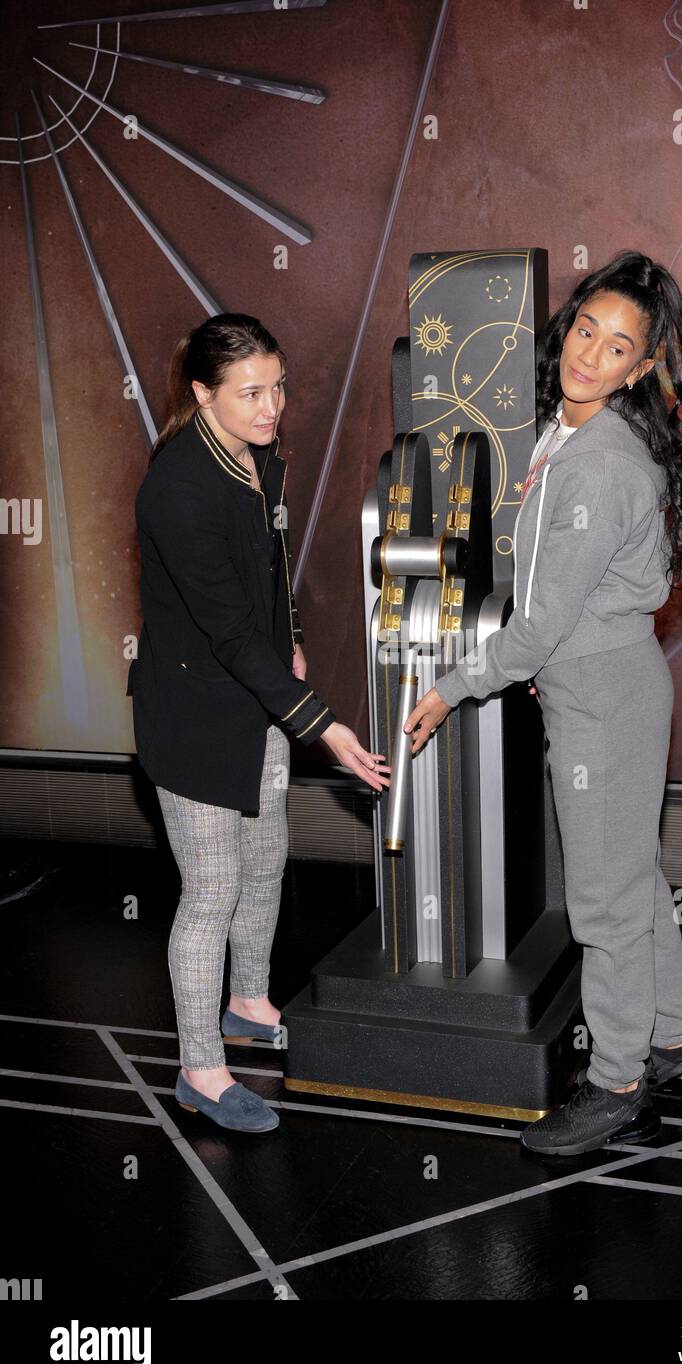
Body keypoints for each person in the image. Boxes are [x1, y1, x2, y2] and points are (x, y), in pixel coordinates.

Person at [404, 251, 682, 1158]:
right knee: (635, 883)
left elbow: (540, 624)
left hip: (601, 701)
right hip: (607, 685)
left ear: (641, 367)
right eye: (586, 332)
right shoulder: (574, 430)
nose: (590, 355)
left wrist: (449, 688)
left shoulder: (597, 463)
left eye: (617, 347)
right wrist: (537, 660)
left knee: (603, 905)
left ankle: (618, 1084)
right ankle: (671, 1047)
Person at [128, 314, 391, 1134]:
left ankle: (248, 1002)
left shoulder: (253, 459)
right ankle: (201, 1068)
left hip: (259, 696)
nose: (272, 406)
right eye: (250, 393)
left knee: (265, 862)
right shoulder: (177, 486)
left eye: (277, 386)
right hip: (196, 715)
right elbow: (228, 630)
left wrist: (299, 643)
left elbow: (267, 581)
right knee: (210, 891)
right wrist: (325, 727)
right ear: (201, 394)